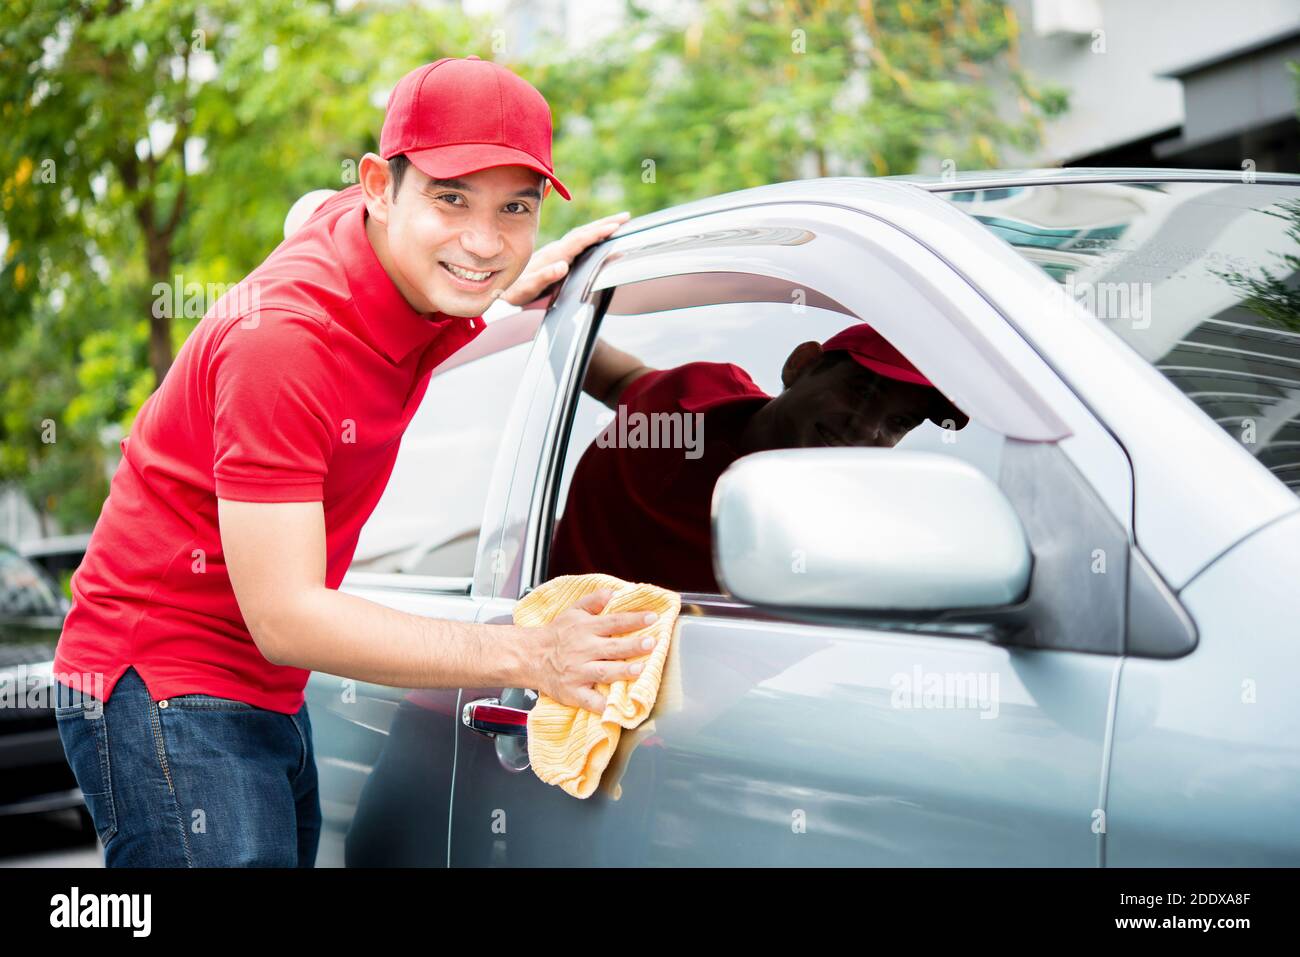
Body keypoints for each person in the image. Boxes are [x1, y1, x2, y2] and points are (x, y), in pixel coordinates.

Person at [51, 56, 654, 868]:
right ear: (378, 185)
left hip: (268, 683)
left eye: (515, 207)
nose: (484, 240)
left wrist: (506, 292)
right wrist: (531, 651)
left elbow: (318, 215)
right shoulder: (285, 341)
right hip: (165, 678)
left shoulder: (390, 256)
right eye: (451, 198)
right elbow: (287, 616)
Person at [549, 323, 970, 593]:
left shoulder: (826, 548)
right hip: (534, 657)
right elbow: (614, 375)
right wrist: (540, 293)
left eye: (898, 422)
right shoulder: (695, 392)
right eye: (861, 391)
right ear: (801, 365)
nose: (864, 429)